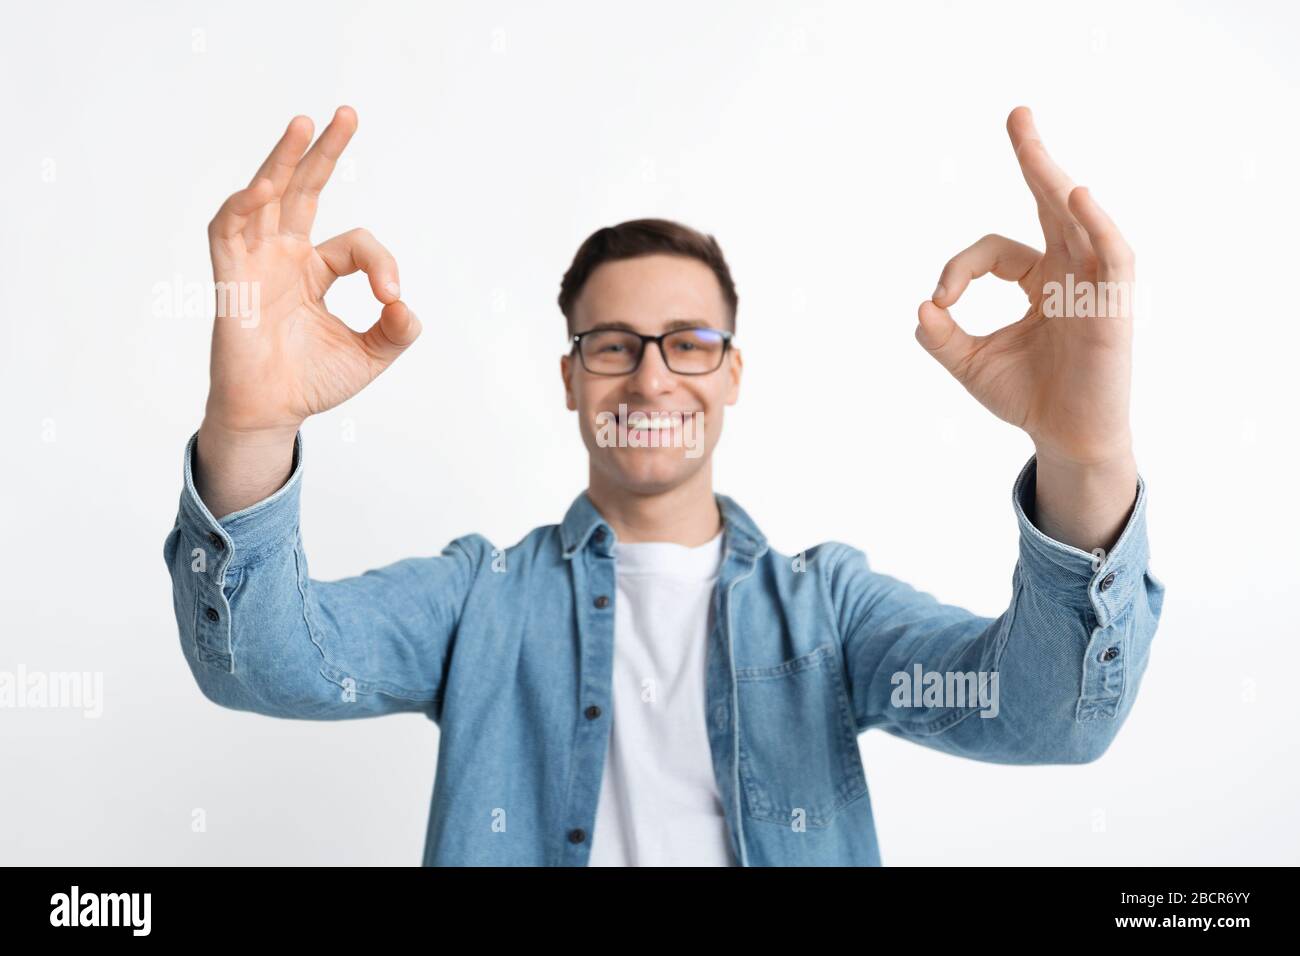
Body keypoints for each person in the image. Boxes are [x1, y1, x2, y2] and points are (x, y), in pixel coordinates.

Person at [163, 104, 1164, 866]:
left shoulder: (828, 608)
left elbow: (1050, 717)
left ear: (732, 372)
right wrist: (251, 427)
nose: (650, 375)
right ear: (569, 376)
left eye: (688, 343)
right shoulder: (480, 598)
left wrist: (1086, 456)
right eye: (612, 344)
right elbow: (261, 664)